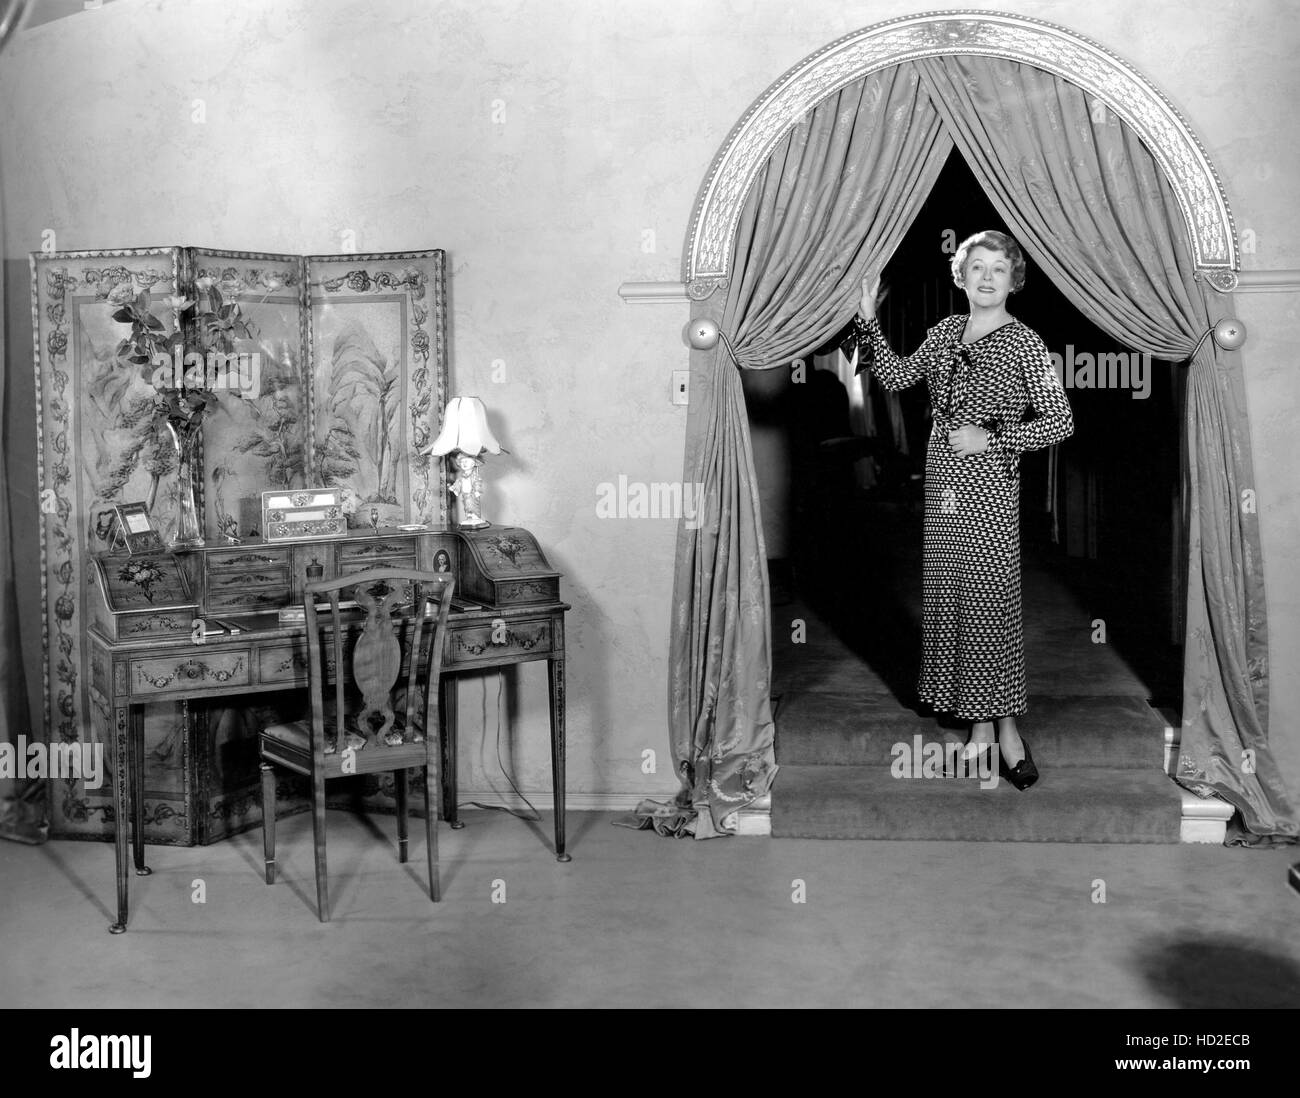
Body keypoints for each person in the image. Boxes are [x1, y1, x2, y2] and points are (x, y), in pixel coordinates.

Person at [853, 230, 1074, 790]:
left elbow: (1060, 421)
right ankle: (981, 730)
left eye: (999, 269)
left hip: (991, 487)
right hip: (942, 486)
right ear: (962, 276)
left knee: (989, 604)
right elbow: (896, 376)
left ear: (1013, 280)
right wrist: (869, 320)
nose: (987, 277)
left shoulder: (1025, 342)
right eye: (977, 267)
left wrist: (992, 437)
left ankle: (1007, 733)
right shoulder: (945, 332)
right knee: (955, 602)